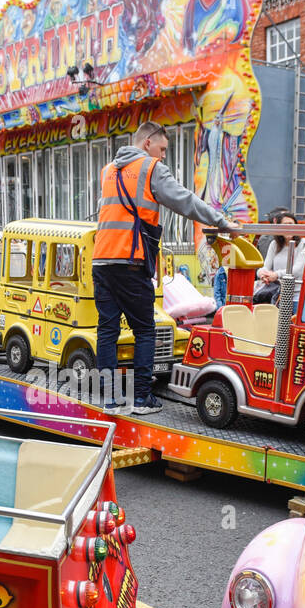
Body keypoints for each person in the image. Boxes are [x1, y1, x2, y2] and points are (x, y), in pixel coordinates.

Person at [94, 120, 238, 414]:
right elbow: (184, 201)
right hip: (130, 261)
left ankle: (107, 399)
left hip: (102, 260)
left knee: (107, 331)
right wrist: (221, 222)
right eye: (162, 149)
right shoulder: (150, 168)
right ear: (147, 143)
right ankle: (142, 399)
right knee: (146, 330)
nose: (163, 156)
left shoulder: (108, 171)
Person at [253, 208, 304, 305]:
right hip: (276, 294)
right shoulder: (274, 244)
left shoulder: (303, 244)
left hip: (296, 297)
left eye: (291, 224)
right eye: (285, 225)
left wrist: (276, 275)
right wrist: (262, 274)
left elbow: (298, 269)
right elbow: (265, 266)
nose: (288, 228)